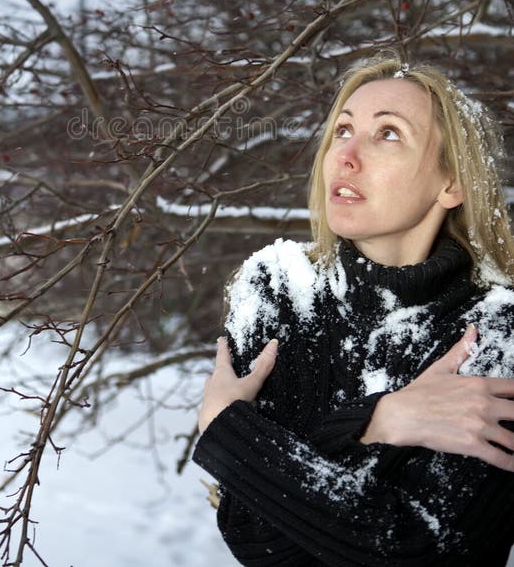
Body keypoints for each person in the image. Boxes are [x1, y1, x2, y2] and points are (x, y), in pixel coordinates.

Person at [192, 54, 514, 566]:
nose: (346, 155)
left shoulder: (499, 330)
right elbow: (252, 534)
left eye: (388, 134)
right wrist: (379, 421)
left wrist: (227, 428)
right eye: (343, 130)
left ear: (451, 183)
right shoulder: (279, 288)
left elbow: (425, 550)